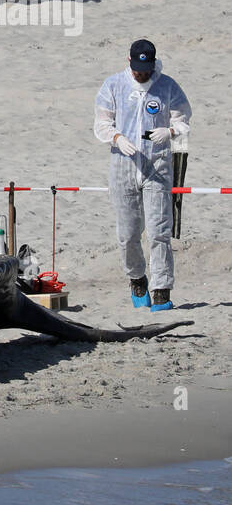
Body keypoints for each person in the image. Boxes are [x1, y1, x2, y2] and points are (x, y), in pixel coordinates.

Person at [94, 39, 192, 312]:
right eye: (137, 69)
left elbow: (183, 117)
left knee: (159, 230)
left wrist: (170, 131)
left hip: (157, 163)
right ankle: (137, 279)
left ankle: (162, 290)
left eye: (146, 69)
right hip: (123, 163)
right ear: (129, 62)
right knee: (128, 232)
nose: (142, 73)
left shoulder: (167, 86)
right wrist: (116, 137)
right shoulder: (113, 85)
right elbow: (101, 122)